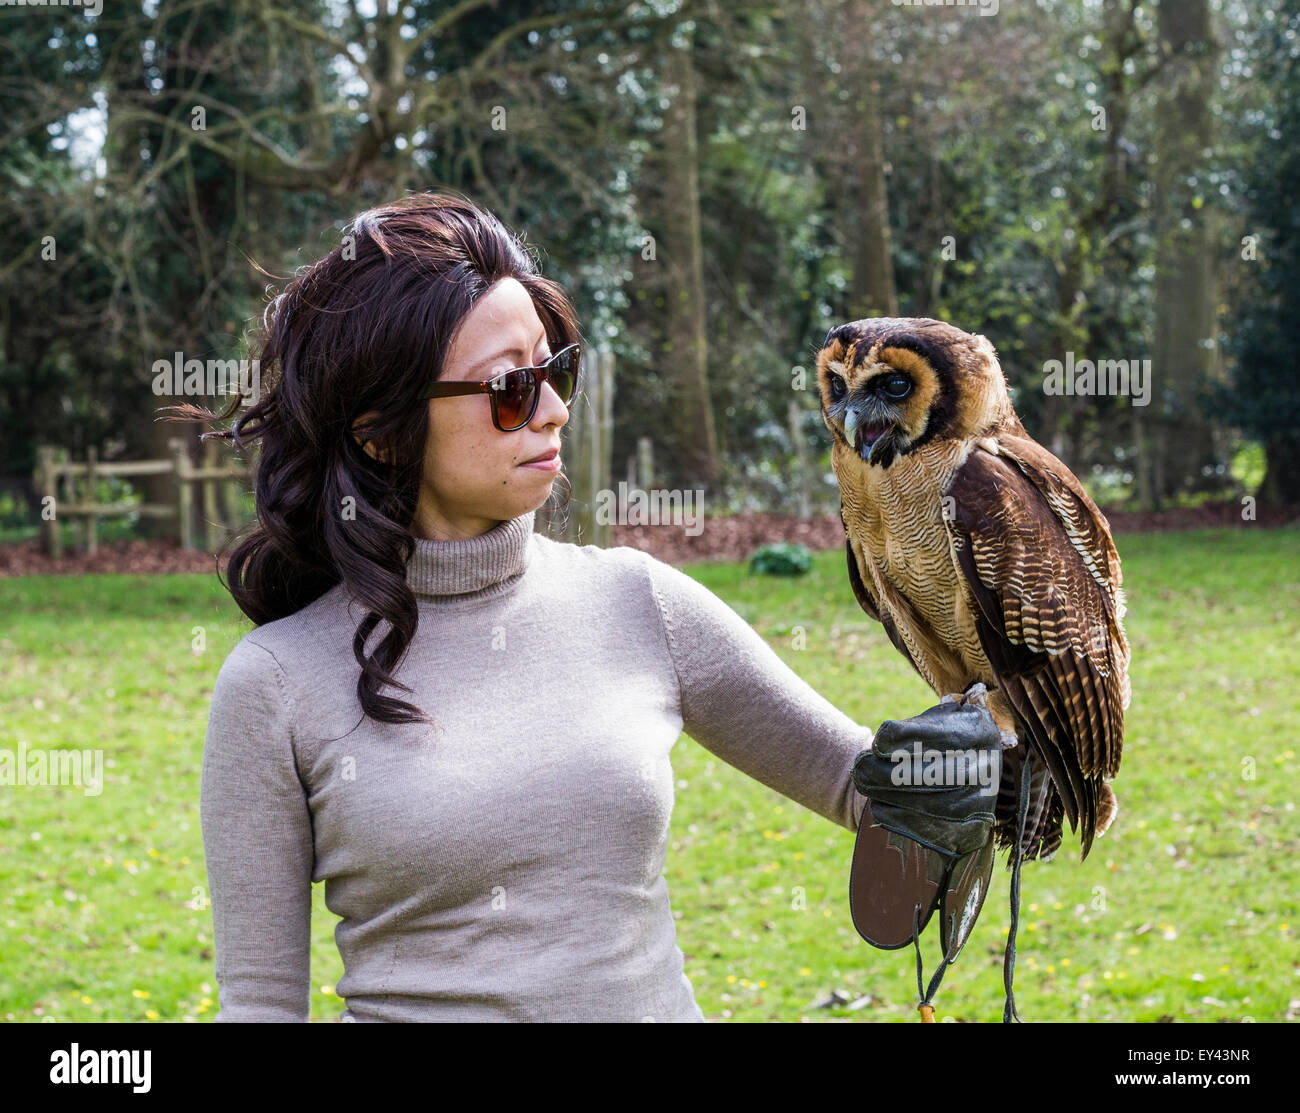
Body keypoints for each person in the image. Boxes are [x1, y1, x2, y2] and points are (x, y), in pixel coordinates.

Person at [180, 191, 995, 1022]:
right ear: (380, 430)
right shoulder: (276, 684)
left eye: (556, 369)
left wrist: (987, 752)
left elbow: (870, 789)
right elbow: (260, 1006)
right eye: (509, 388)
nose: (554, 409)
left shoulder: (637, 602)